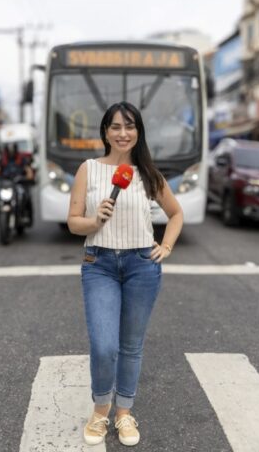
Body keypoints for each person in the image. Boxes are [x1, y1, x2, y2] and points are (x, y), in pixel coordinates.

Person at [67, 101, 183, 447]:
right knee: (105, 345)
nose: (122, 133)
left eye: (129, 126)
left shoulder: (148, 174)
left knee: (131, 346)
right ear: (105, 131)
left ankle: (124, 413)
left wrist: (166, 247)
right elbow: (74, 222)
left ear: (138, 132)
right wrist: (94, 220)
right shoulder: (88, 169)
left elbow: (176, 214)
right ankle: (101, 411)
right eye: (115, 127)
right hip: (98, 264)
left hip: (141, 267)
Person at [0, 144, 35, 222]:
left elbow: (28, 171)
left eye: (12, 151)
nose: (11, 153)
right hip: (6, 184)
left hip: (18, 183)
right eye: (9, 151)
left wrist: (28, 177)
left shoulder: (21, 159)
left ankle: (24, 214)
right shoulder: (3, 160)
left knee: (24, 195)